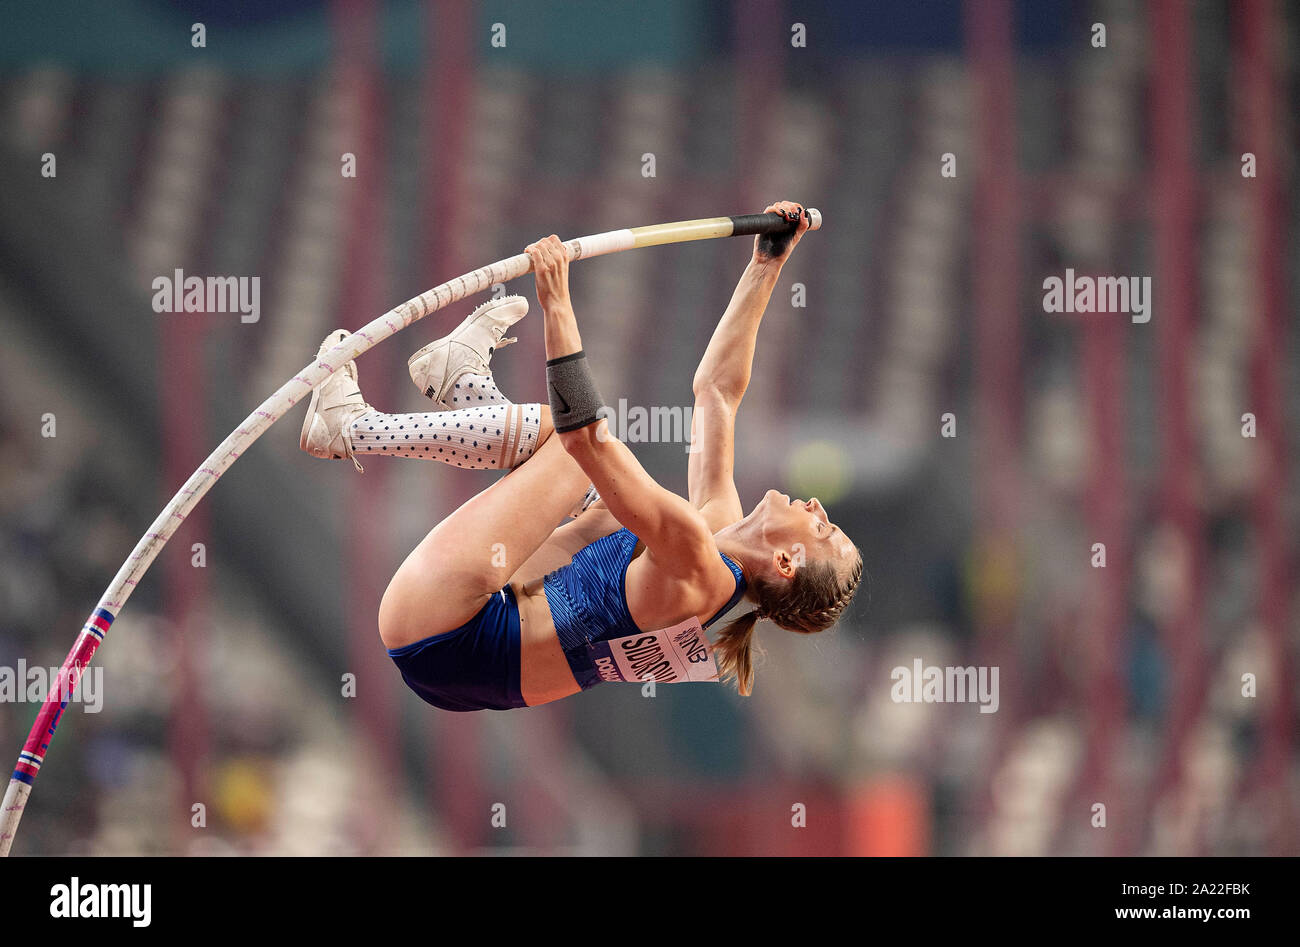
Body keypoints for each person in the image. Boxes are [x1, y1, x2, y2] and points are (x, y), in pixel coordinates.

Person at [299, 200, 861, 710]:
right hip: (460, 658)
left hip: (448, 630)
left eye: (823, 529)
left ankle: (354, 429)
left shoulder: (697, 565)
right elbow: (716, 391)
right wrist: (768, 264)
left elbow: (584, 440)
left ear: (786, 564)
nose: (816, 505)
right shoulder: (714, 533)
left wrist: (557, 303)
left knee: (582, 454)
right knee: (609, 502)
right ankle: (459, 382)